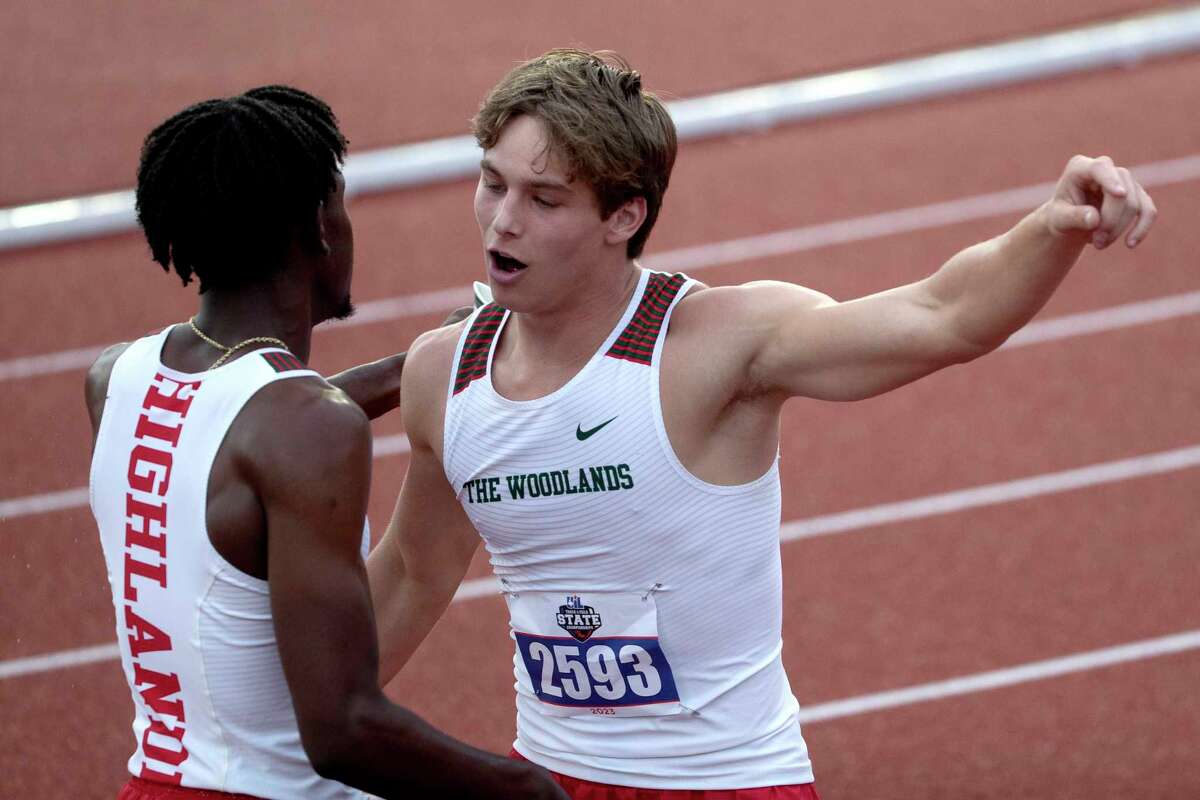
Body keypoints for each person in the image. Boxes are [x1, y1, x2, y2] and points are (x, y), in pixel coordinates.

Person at [367, 49, 1157, 798]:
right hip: (548, 774)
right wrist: (266, 724)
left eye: (542, 201)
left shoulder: (714, 346)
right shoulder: (446, 373)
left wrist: (1051, 229)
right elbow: (413, 568)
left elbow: (943, 316)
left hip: (727, 781)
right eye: (491, 183)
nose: (501, 221)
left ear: (623, 216)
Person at [85, 85, 566, 800]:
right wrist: (528, 788)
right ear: (316, 224)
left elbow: (237, 425)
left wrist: (419, 362)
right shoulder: (306, 429)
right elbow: (344, 731)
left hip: (157, 779)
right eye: (340, 201)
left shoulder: (117, 376)